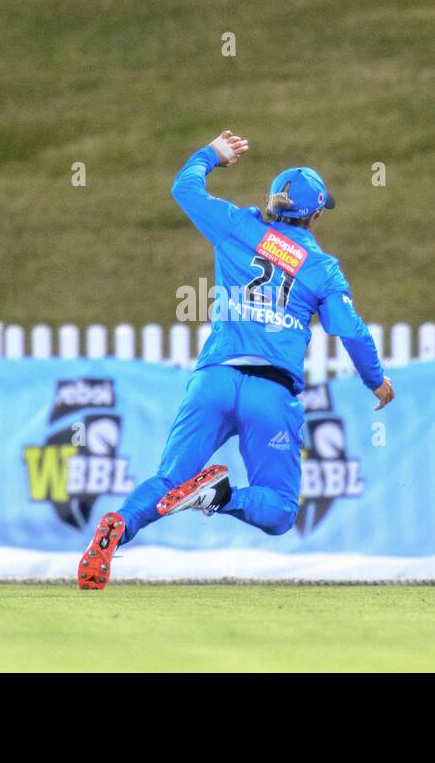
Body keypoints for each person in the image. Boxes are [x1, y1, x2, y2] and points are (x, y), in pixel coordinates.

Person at [78, 130, 394, 589]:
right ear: (314, 215)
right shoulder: (321, 267)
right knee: (281, 511)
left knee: (168, 481)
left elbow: (184, 189)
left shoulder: (238, 227)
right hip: (270, 391)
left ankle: (116, 529)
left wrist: (212, 155)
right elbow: (352, 331)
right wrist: (376, 381)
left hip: (214, 381)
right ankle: (219, 497)